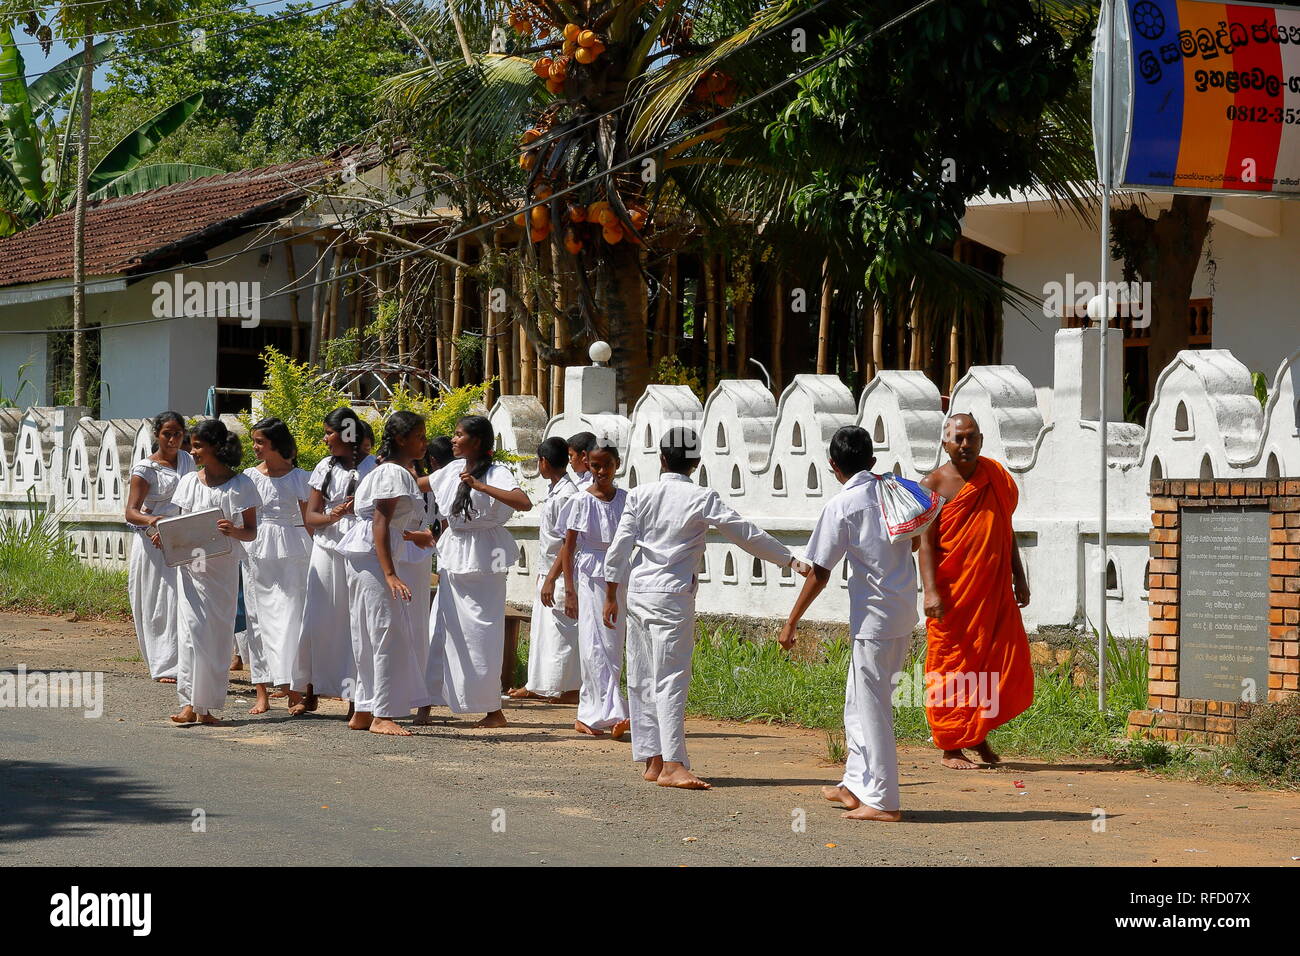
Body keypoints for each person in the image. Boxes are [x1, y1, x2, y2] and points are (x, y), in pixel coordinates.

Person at [604, 427, 805, 789]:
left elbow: (619, 548)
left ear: (662, 458)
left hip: (637, 592)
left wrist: (609, 594)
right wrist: (788, 559)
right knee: (670, 679)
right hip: (672, 596)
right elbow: (744, 533)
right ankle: (673, 764)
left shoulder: (639, 495)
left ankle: (653, 759)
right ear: (696, 463)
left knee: (642, 676)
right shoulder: (701, 497)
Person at [778, 425, 921, 820]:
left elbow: (819, 571)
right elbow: (917, 539)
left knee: (871, 707)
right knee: (858, 701)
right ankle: (855, 784)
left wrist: (791, 623)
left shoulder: (842, 505)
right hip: (901, 609)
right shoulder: (896, 491)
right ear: (872, 461)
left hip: (874, 618)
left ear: (832, 466)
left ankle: (885, 801)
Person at [918, 413, 1033, 769]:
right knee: (951, 664)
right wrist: (930, 593)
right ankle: (951, 745)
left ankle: (977, 734)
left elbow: (1004, 528)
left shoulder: (995, 476)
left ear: (981, 440)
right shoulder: (933, 484)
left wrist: (1019, 575)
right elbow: (925, 545)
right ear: (945, 443)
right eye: (958, 439)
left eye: (971, 438)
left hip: (993, 591)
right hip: (954, 595)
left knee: (992, 663)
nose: (965, 445)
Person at [428, 415, 532, 728]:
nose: (453, 440)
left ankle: (493, 710)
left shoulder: (497, 471)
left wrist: (480, 486)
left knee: (482, 633)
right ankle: (430, 700)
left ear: (477, 441)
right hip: (455, 555)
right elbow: (419, 484)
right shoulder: (450, 469)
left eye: (459, 435)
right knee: (442, 629)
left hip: (486, 558)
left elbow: (522, 502)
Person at [338, 411, 434, 736]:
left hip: (365, 554)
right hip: (373, 557)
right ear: (403, 439)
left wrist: (409, 538)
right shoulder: (392, 473)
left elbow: (387, 524)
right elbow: (380, 522)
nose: (424, 442)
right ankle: (382, 714)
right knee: (384, 630)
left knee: (367, 630)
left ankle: (365, 708)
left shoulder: (390, 472)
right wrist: (390, 573)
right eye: (420, 436)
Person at [170, 419, 261, 725]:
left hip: (221, 569)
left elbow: (251, 532)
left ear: (215, 448)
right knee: (189, 634)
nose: (192, 452)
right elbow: (179, 526)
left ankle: (205, 706)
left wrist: (234, 530)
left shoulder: (242, 486)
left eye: (197, 446)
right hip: (190, 568)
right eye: (191, 446)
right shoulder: (188, 482)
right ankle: (188, 703)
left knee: (216, 635)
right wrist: (164, 536)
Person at [292, 408, 377, 717]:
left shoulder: (374, 467)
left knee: (354, 621)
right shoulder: (324, 466)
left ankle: (357, 700)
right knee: (319, 620)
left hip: (359, 550)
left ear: (347, 435)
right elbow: (311, 516)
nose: (325, 439)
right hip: (326, 549)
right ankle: (311, 689)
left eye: (329, 433)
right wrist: (332, 516)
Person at [241, 418, 312, 716]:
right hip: (258, 549)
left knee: (293, 618)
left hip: (295, 549)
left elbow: (311, 521)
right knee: (258, 619)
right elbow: (244, 518)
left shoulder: (301, 478)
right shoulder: (248, 477)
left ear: (276, 444)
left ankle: (295, 691)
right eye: (254, 441)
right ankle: (262, 692)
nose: (255, 447)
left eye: (260, 442)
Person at [559, 441, 630, 738]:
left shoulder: (627, 499)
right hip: (590, 574)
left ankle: (600, 712)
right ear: (587, 465)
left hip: (619, 573)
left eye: (607, 466)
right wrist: (570, 589)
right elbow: (568, 546)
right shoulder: (580, 501)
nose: (602, 472)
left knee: (614, 645)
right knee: (594, 644)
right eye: (596, 466)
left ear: (617, 466)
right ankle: (606, 714)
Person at [124, 411, 195, 684]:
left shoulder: (188, 461)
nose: (173, 439)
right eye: (167, 433)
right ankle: (164, 664)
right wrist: (155, 522)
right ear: (157, 434)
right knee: (158, 601)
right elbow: (131, 512)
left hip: (184, 537)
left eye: (178, 433)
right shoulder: (145, 469)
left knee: (183, 598)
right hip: (153, 542)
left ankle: (185, 661)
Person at [512, 437, 580, 703]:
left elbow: (568, 543)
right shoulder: (555, 490)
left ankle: (568, 688)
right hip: (548, 569)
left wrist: (552, 578)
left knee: (562, 632)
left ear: (543, 462)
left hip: (561, 573)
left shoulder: (567, 495)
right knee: (544, 631)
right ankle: (539, 684)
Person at [415, 434, 456, 721]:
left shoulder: (439, 480)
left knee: (435, 630)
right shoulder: (459, 476)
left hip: (440, 557)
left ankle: (426, 701)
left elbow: (438, 528)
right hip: (440, 557)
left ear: (431, 462)